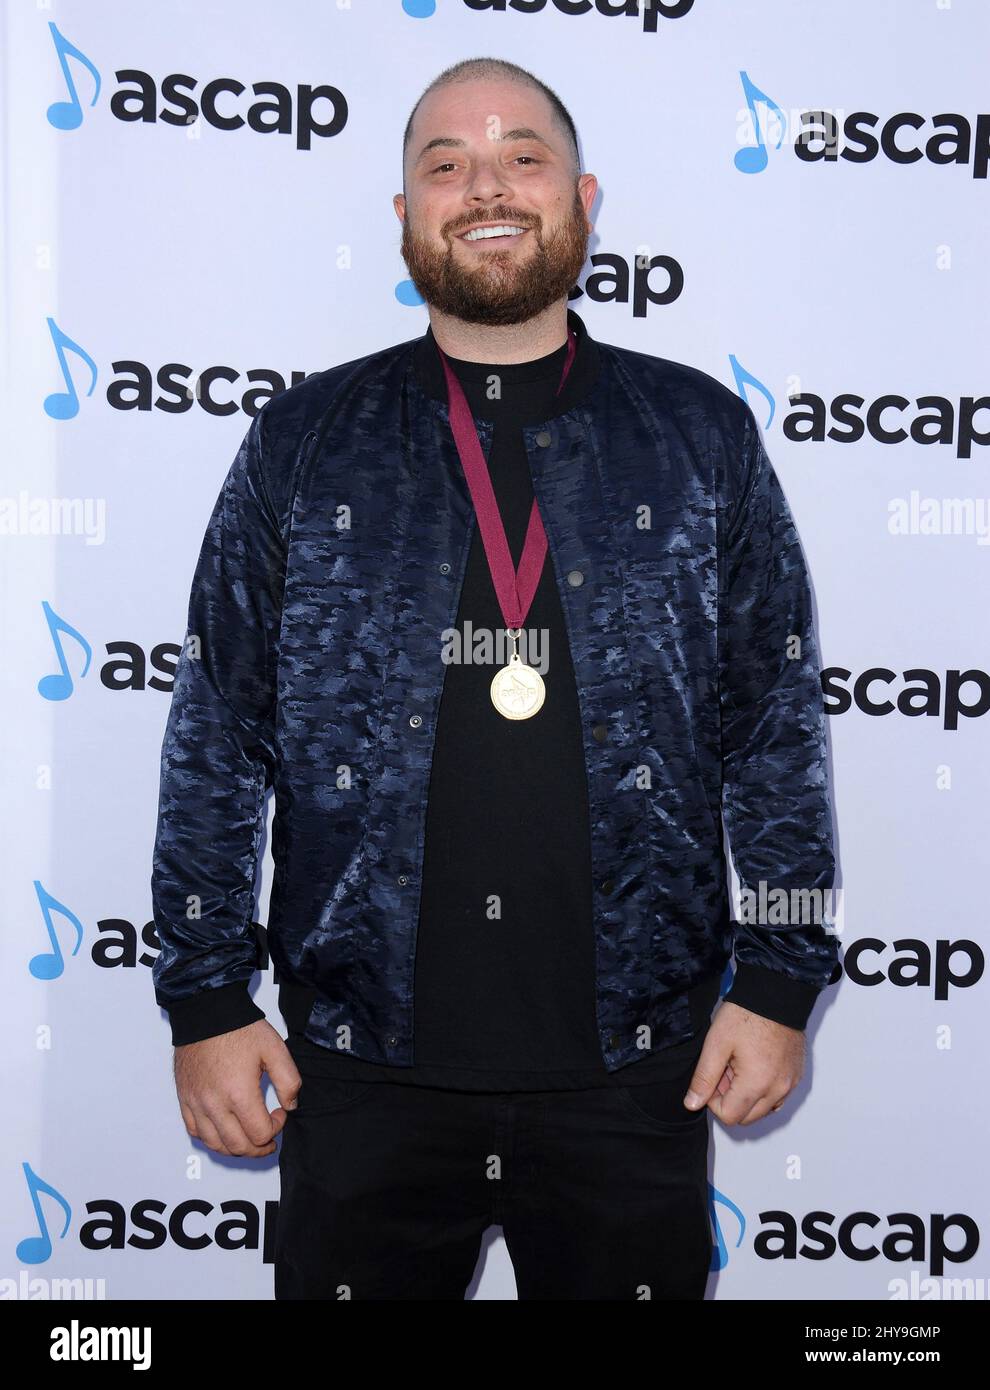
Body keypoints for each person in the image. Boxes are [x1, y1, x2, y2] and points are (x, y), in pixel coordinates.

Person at [150, 57, 839, 1300]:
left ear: (581, 197)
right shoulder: (303, 442)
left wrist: (782, 977)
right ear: (407, 213)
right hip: (360, 1072)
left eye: (522, 155)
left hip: (636, 1070)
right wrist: (205, 998)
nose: (487, 186)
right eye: (445, 162)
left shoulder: (699, 437)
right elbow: (219, 728)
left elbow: (774, 729)